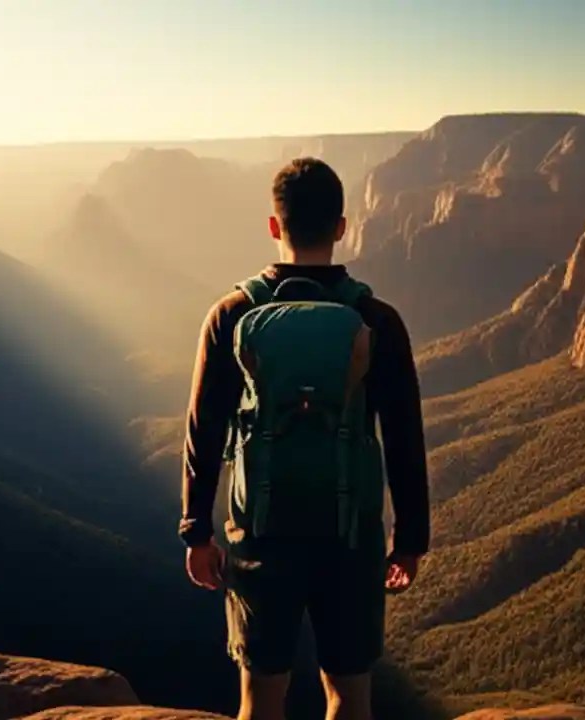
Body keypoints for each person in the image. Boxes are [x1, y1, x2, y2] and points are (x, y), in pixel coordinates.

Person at [179, 157, 430, 720]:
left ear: (274, 226)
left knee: (261, 697)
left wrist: (196, 529)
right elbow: (405, 438)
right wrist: (411, 539)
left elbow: (203, 428)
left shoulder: (231, 314)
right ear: (342, 227)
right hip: (350, 535)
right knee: (348, 696)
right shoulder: (377, 319)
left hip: (262, 533)